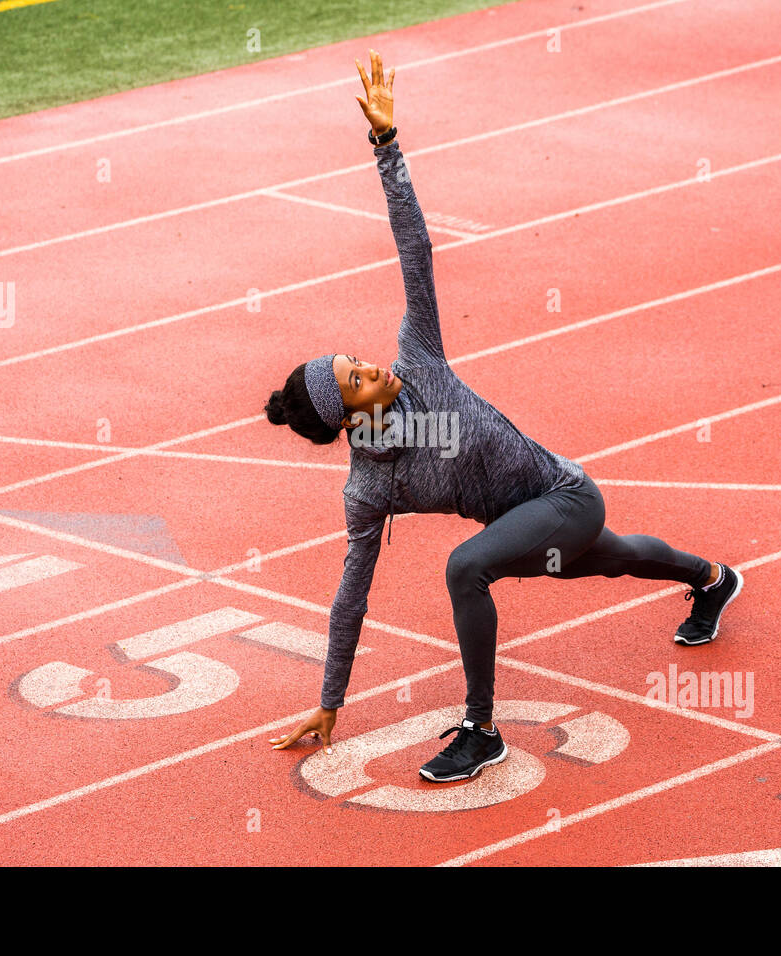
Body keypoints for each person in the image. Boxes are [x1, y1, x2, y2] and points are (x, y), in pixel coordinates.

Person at [267, 50, 742, 782]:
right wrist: (329, 703)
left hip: (563, 496)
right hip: (530, 529)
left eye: (355, 359)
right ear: (346, 418)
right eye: (355, 378)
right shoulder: (368, 490)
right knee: (614, 560)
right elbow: (349, 595)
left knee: (466, 567)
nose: (369, 365)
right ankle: (712, 578)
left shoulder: (418, 355)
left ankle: (480, 729)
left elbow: (414, 247)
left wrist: (386, 145)